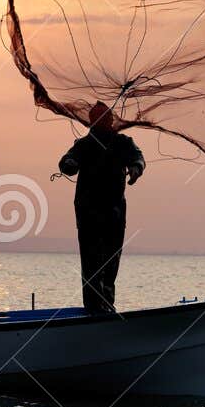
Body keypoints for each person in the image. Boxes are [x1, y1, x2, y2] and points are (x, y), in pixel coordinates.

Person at [58, 102, 145, 314]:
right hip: (88, 214)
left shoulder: (123, 142)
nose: (105, 121)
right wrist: (69, 164)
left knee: (111, 261)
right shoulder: (84, 144)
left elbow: (138, 157)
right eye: (100, 118)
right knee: (90, 262)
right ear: (93, 121)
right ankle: (94, 309)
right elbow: (67, 160)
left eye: (106, 118)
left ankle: (106, 306)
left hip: (114, 214)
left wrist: (135, 168)